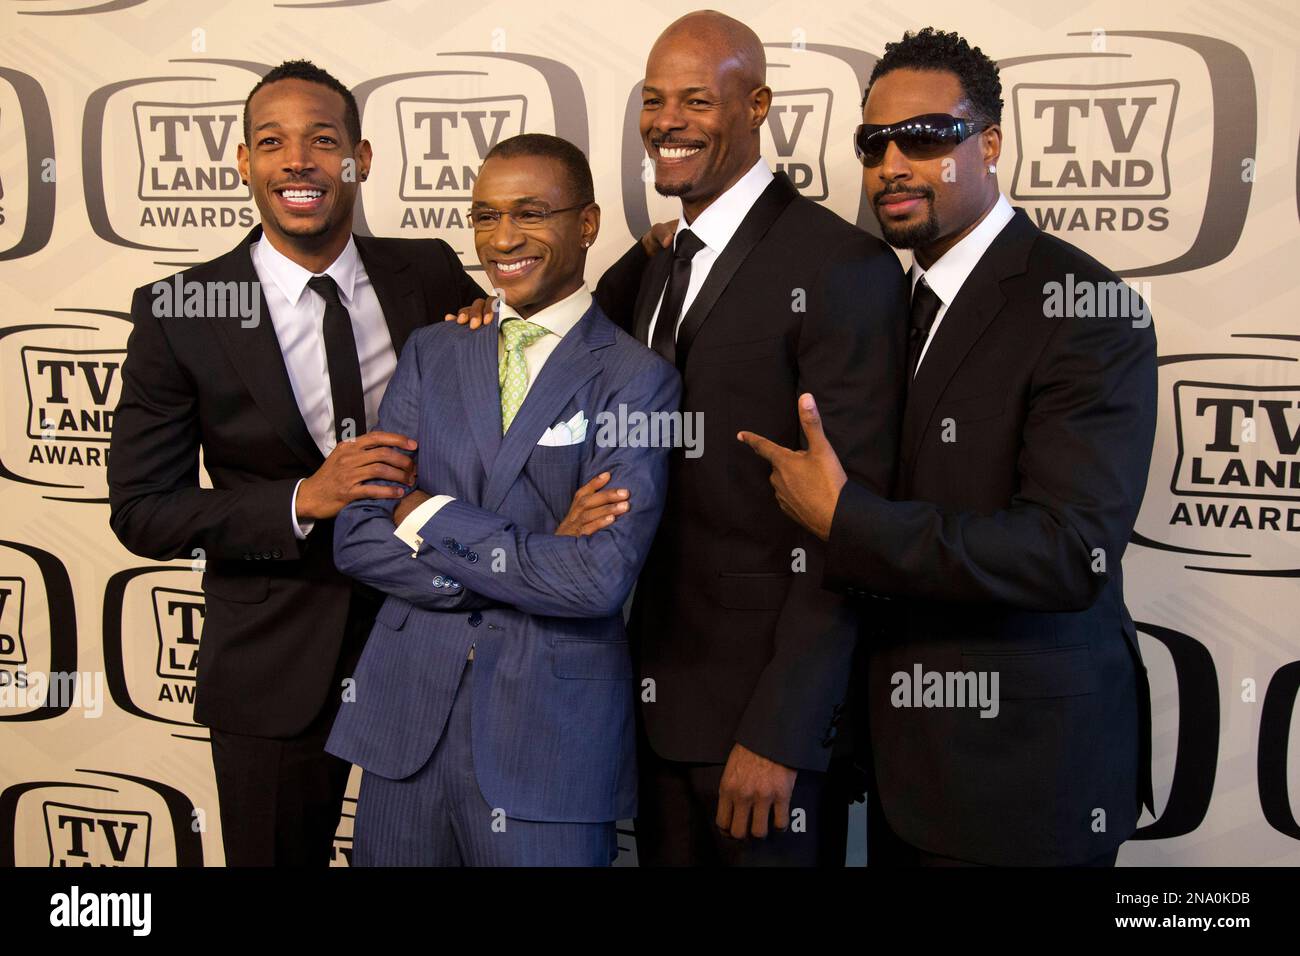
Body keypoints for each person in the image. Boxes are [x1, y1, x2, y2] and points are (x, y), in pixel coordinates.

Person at [739, 28, 1156, 866]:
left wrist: (846, 520)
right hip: (897, 769)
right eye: (874, 142)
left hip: (1022, 776)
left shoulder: (1083, 307)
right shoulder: (885, 300)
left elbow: (1068, 554)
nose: (892, 162)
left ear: (990, 144)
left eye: (925, 137)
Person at [107, 59, 485, 865]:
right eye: (272, 142)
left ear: (362, 159)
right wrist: (300, 500)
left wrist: (653, 256)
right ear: (244, 163)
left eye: (322, 139)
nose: (298, 161)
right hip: (274, 665)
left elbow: (531, 360)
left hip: (430, 643)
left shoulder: (429, 272)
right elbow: (143, 510)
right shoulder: (180, 311)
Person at [596, 10, 908, 866]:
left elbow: (850, 526)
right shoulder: (660, 263)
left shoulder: (840, 267)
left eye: (697, 99)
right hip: (649, 706)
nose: (667, 121)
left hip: (762, 736)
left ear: (757, 105)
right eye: (654, 99)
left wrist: (782, 731)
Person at [325, 134, 680, 866]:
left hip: (547, 743)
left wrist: (425, 514)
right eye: (485, 217)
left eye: (529, 213)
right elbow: (357, 533)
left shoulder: (637, 379)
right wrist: (538, 553)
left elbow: (596, 579)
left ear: (586, 223)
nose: (503, 239)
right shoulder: (434, 350)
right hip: (404, 730)